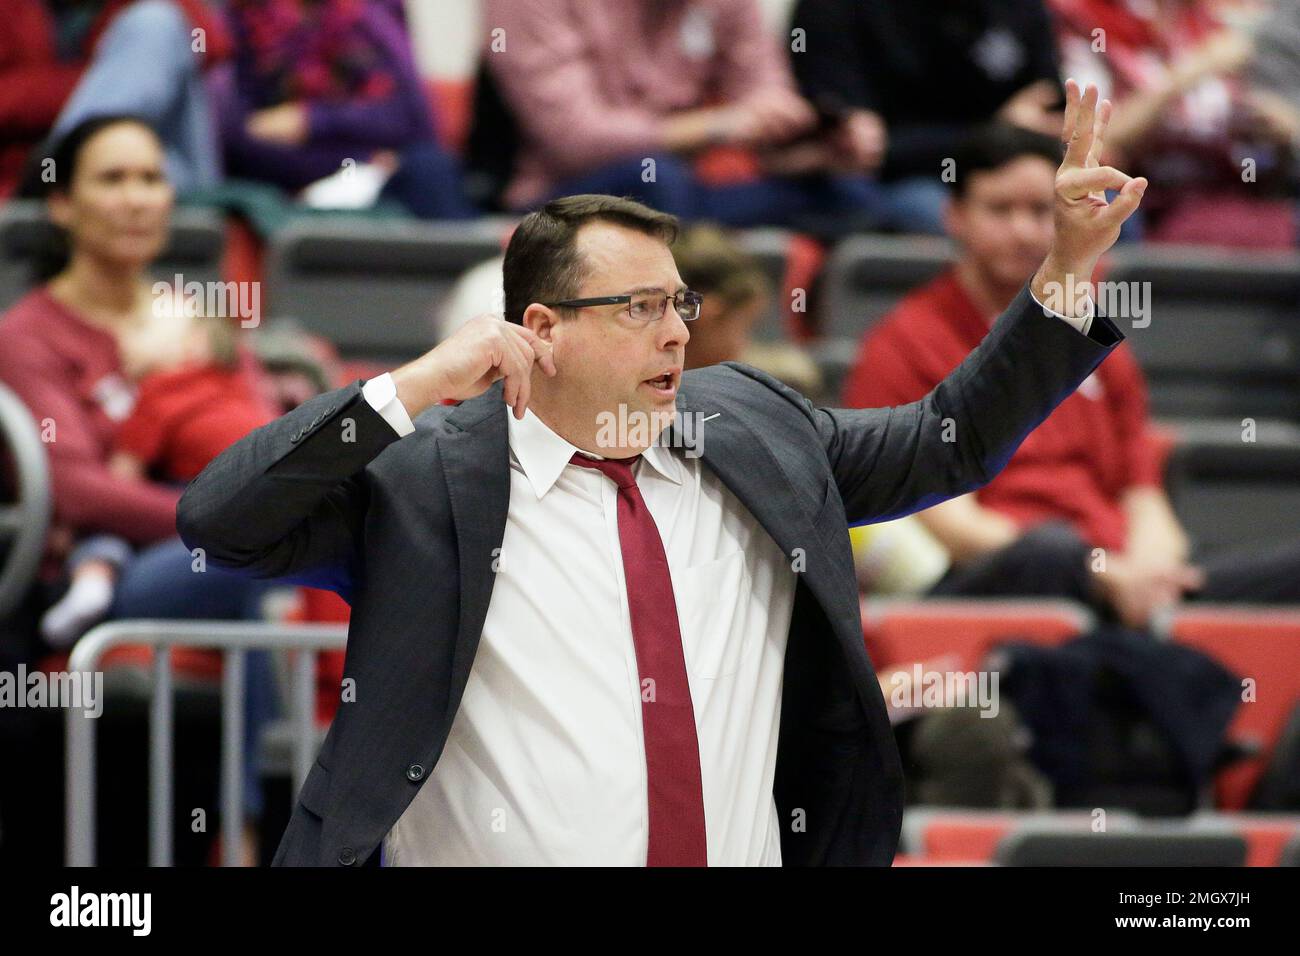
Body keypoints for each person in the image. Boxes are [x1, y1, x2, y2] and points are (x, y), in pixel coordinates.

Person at [179, 82, 1142, 866]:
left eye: (678, 301)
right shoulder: (427, 479)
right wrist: (413, 385)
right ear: (542, 330)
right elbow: (221, 519)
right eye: (641, 307)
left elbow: (950, 439)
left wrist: (1063, 268)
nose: (680, 329)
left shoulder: (759, 430)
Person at [842, 121, 1300, 628]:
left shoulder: (1087, 333)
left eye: (1040, 211)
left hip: (1119, 577)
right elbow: (945, 520)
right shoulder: (903, 342)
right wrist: (1101, 572)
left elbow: (1142, 493)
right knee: (1051, 553)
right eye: (999, 209)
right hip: (1004, 579)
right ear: (955, 217)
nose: (1022, 230)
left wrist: (1150, 572)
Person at [0, 115, 281, 861]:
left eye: (152, 178)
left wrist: (254, 506)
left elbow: (264, 442)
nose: (137, 198)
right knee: (255, 560)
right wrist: (229, 517)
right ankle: (241, 832)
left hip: (212, 557)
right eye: (113, 179)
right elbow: (81, 492)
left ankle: (256, 825)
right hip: (85, 584)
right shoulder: (27, 334)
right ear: (62, 203)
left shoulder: (194, 318)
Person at [480, 0, 885, 233]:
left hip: (689, 195)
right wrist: (718, 126)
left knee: (847, 194)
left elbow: (765, 91)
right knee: (654, 175)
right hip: (558, 199)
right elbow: (573, 140)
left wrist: (809, 144)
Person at [789, 0, 1066, 234]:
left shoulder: (1018, 9)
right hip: (898, 182)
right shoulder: (838, 9)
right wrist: (997, 127)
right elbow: (869, 151)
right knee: (941, 217)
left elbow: (1048, 106)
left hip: (1016, 169)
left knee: (1097, 213)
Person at [1049, 0, 1297, 247]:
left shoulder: (1210, 20)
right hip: (1148, 193)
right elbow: (1098, 140)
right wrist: (1192, 71)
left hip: (1232, 192)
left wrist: (1280, 126)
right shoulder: (1087, 19)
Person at [212, 0, 474, 219]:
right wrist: (356, 157)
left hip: (378, 179)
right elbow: (237, 139)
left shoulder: (371, 14)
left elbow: (416, 119)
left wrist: (311, 121)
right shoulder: (241, 17)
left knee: (429, 168)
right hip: (290, 185)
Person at [1, 0, 229, 198]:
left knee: (155, 22)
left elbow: (208, 44)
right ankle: (64, 167)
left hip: (162, 167)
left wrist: (110, 76)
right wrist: (98, 76)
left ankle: (57, 167)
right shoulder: (14, 10)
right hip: (22, 169)